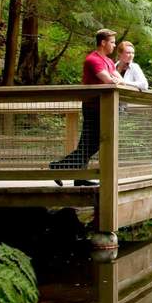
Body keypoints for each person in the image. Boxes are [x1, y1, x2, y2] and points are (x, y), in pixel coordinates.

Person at [51, 28, 119, 185]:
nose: (114, 46)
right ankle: (58, 167)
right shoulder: (93, 60)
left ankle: (78, 178)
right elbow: (110, 81)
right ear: (103, 42)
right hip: (93, 106)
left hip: (104, 106)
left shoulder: (108, 61)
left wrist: (117, 80)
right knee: (92, 144)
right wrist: (115, 80)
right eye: (112, 42)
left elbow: (119, 79)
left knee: (87, 144)